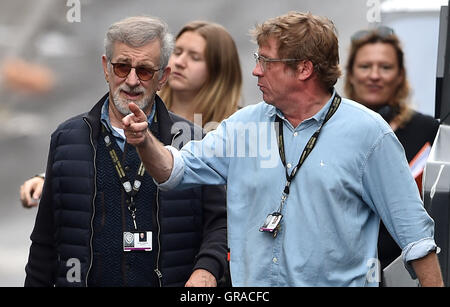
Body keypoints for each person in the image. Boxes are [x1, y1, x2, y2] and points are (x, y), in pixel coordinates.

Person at [123, 11, 443, 286]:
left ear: (304, 69)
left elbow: (416, 239)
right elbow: (174, 171)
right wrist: (144, 141)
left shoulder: (369, 135)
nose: (256, 70)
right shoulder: (243, 126)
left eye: (266, 61)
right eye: (257, 59)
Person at [25, 16, 228, 287]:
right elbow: (44, 244)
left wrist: (207, 270)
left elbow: (221, 224)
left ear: (163, 77)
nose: (132, 80)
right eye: (122, 67)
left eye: (144, 71)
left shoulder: (193, 140)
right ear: (106, 68)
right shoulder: (66, 139)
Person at [19, 21, 242, 207]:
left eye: (194, 57)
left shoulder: (234, 126)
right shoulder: (143, 108)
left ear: (219, 69)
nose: (180, 62)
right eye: (178, 52)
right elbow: (111, 161)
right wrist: (50, 179)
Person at [344, 27, 440, 273]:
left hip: (405, 270)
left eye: (385, 67)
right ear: (351, 75)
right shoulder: (330, 131)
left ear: (400, 75)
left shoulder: (429, 131)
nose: (374, 75)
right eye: (365, 66)